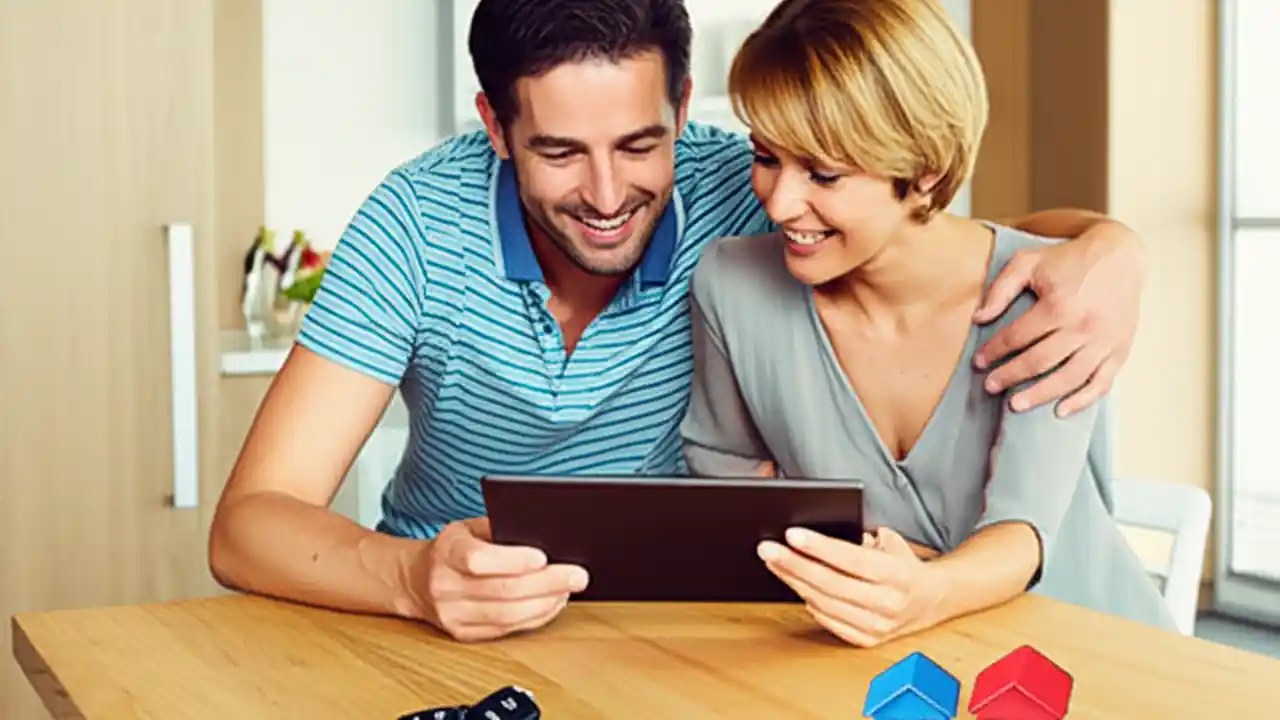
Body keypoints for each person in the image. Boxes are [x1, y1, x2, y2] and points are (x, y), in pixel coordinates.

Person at [209, 0, 1151, 644]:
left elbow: (930, 225)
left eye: (640, 143)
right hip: (455, 619)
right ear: (494, 127)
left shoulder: (752, 187)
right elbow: (249, 525)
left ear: (685, 108)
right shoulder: (417, 223)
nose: (607, 195)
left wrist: (1112, 248)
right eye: (559, 152)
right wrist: (415, 579)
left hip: (693, 626)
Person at [679, 0, 1176, 643]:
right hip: (890, 657)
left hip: (1093, 645)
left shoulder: (1045, 289)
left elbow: (1021, 532)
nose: (779, 203)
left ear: (923, 171)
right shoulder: (732, 285)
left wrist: (920, 585)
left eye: (823, 174)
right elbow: (725, 479)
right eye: (767, 157)